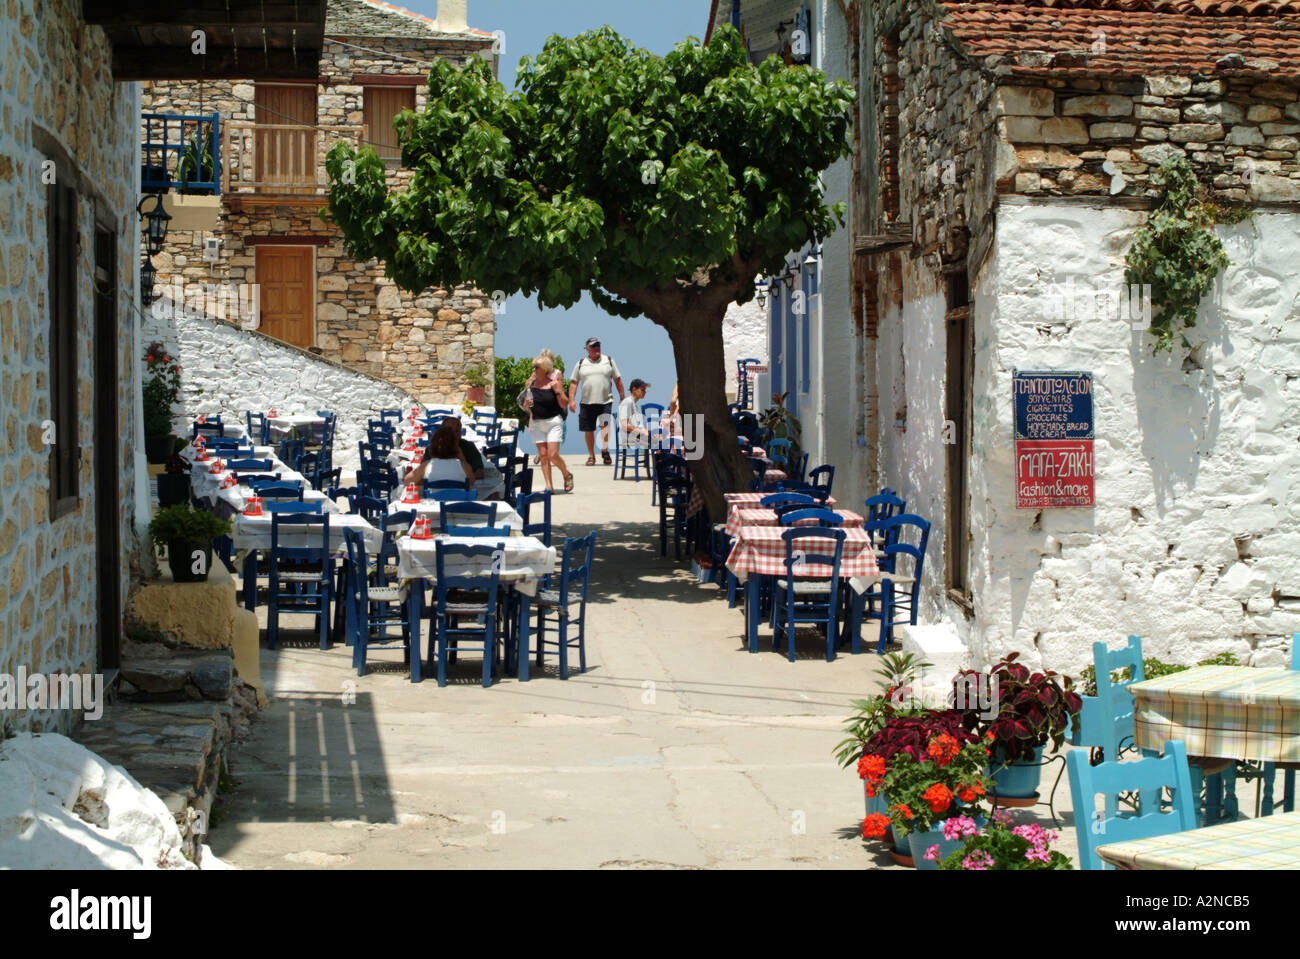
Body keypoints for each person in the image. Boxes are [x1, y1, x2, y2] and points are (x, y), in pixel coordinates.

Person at [569, 337, 624, 466]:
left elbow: (618, 380)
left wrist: (622, 397)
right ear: (587, 349)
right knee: (589, 430)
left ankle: (605, 450)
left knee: (605, 427)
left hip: (606, 401)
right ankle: (591, 456)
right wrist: (572, 400)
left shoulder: (609, 361)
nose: (596, 348)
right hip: (587, 402)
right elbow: (573, 383)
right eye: (593, 346)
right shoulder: (581, 363)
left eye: (598, 345)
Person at [524, 354, 574, 493]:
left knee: (553, 455)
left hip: (553, 422)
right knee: (544, 456)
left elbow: (564, 403)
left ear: (545, 369)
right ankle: (549, 486)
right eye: (534, 366)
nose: (534, 369)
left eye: (537, 367)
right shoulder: (531, 385)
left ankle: (566, 474)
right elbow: (525, 406)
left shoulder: (553, 384)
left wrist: (558, 391)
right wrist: (527, 405)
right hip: (537, 423)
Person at [404, 422, 475, 489]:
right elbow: (471, 482)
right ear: (456, 447)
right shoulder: (464, 466)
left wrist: (423, 481)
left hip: (433, 500)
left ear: (432, 447)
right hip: (457, 501)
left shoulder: (427, 465)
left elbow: (407, 481)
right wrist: (462, 458)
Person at [619, 379, 651, 448]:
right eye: (643, 390)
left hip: (635, 435)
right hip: (630, 437)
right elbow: (625, 425)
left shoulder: (633, 404)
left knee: (660, 436)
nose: (645, 392)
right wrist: (643, 432)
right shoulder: (627, 402)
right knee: (661, 441)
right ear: (634, 389)